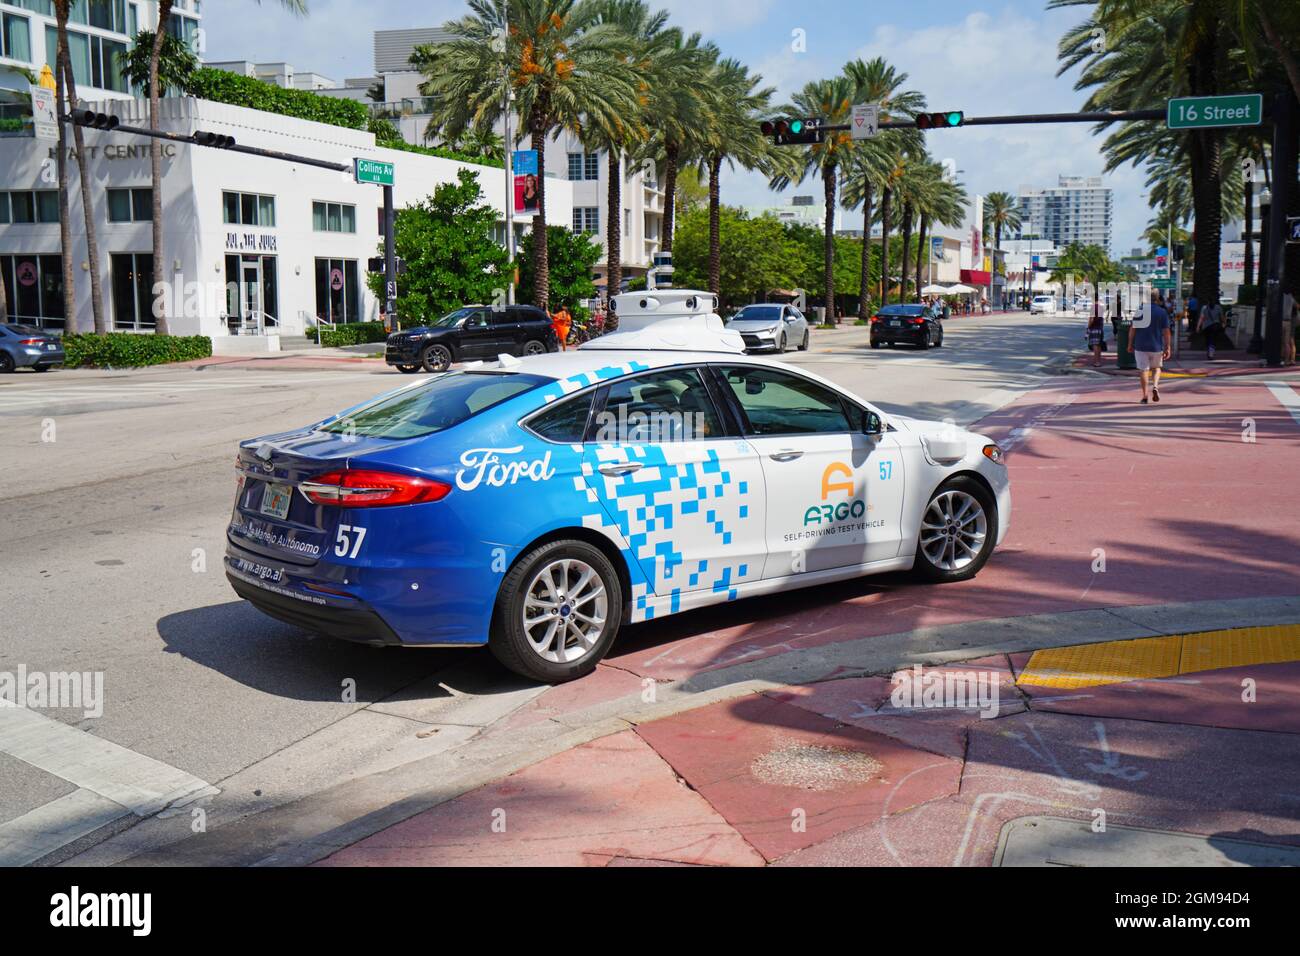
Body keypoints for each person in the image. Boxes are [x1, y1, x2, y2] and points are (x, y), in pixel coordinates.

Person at [1128, 290, 1171, 404]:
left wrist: (1129, 344)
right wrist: (1168, 347)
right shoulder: (1162, 312)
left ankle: (1145, 395)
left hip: (1140, 345)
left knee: (1143, 370)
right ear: (1157, 299)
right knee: (1156, 368)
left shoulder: (1139, 311)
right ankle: (1155, 386)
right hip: (1156, 346)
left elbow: (1133, 329)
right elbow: (1166, 332)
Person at [1197, 295, 1223, 360]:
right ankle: (1211, 353)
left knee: (1208, 340)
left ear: (1207, 301)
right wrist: (1224, 323)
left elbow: (1201, 318)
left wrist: (1198, 326)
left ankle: (1209, 351)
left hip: (1206, 327)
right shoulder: (1218, 307)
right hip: (1215, 326)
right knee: (1213, 340)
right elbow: (1222, 317)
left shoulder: (1204, 308)